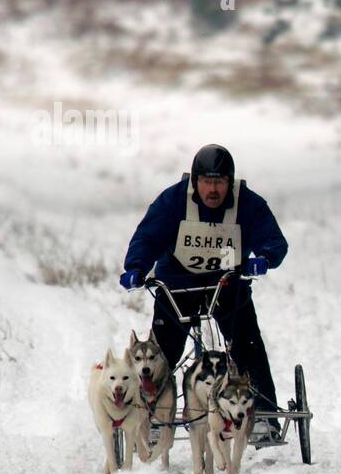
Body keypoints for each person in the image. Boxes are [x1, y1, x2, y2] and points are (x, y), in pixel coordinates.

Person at [119, 144, 289, 440]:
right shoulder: (173, 202)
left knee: (247, 342)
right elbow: (147, 238)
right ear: (195, 181)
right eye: (207, 181)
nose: (213, 189)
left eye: (220, 182)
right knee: (163, 353)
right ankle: (152, 416)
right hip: (177, 286)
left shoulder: (248, 204)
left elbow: (273, 240)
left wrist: (264, 258)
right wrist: (136, 267)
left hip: (226, 285)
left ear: (231, 182)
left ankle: (262, 414)